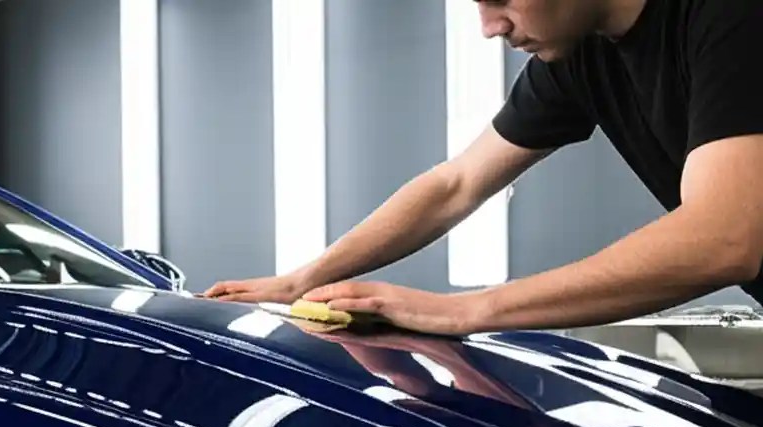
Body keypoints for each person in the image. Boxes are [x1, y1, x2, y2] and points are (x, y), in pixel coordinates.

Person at [203, 0, 763, 335]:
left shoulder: (732, 17)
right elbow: (456, 184)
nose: (490, 27)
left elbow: (723, 239)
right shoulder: (580, 54)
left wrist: (466, 310)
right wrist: (302, 280)